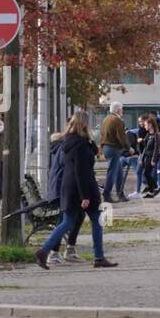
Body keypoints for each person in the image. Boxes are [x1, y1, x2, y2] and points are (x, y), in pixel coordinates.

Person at [35, 114, 118, 269]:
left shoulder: (68, 142)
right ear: (85, 125)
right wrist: (84, 196)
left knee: (68, 222)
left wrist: (91, 142)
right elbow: (80, 170)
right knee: (96, 221)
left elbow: (90, 154)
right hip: (84, 188)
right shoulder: (80, 144)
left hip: (69, 188)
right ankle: (98, 257)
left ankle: (44, 251)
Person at [45, 132, 84, 265]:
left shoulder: (59, 149)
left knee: (78, 216)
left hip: (61, 189)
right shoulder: (63, 150)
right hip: (63, 190)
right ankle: (52, 252)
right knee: (65, 220)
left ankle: (68, 249)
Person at [100, 103, 130, 203]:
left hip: (106, 147)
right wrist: (128, 148)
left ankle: (120, 193)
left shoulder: (106, 119)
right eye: (122, 109)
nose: (123, 111)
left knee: (119, 171)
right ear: (118, 110)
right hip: (113, 148)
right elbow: (121, 137)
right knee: (112, 172)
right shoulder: (117, 120)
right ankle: (107, 194)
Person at [140, 115, 160, 198]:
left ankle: (154, 188)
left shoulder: (156, 135)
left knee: (146, 173)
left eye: (145, 125)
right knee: (146, 174)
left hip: (151, 157)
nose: (144, 126)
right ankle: (153, 189)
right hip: (146, 157)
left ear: (150, 125)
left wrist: (153, 159)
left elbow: (156, 148)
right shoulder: (148, 135)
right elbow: (145, 146)